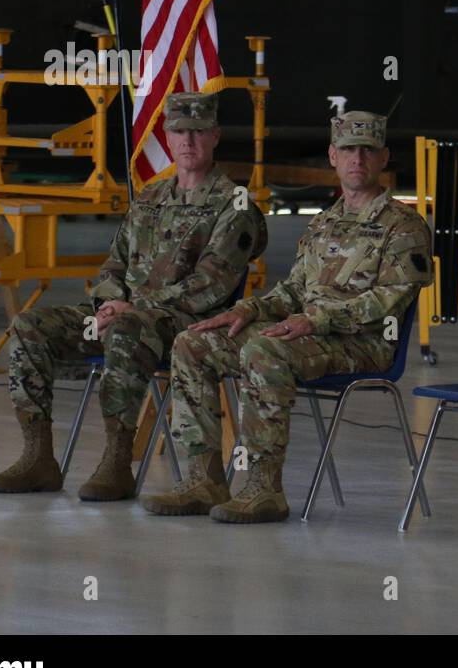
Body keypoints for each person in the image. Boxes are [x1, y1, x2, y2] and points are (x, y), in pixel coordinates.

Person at [143, 110, 433, 524]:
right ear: (332, 156)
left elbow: (390, 301)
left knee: (265, 351)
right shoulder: (324, 223)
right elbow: (294, 290)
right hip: (308, 334)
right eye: (349, 150)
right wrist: (247, 309)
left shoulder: (403, 226)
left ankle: (264, 489)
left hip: (363, 342)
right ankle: (201, 479)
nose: (358, 160)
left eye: (368, 151)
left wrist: (318, 321)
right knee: (194, 343)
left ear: (383, 157)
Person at [0, 92, 267, 500]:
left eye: (198, 131)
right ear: (167, 138)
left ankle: (117, 463)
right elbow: (114, 264)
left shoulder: (233, 203)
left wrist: (130, 309)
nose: (188, 140)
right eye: (179, 132)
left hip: (187, 327)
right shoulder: (150, 197)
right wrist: (104, 307)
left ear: (215, 136)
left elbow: (210, 286)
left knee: (126, 328)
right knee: (31, 326)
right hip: (121, 315)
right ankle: (38, 458)